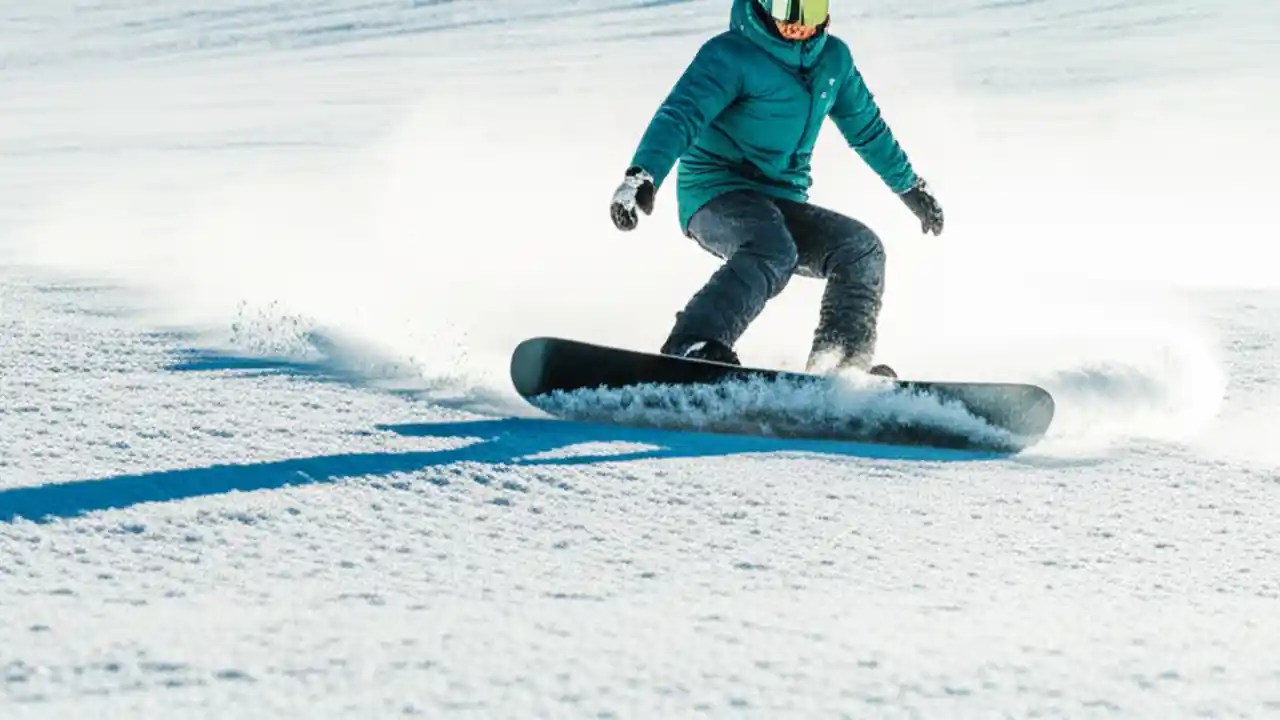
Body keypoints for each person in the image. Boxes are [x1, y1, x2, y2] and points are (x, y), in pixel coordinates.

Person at [609, 0, 943, 377]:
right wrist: (643, 173)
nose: (800, 24)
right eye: (789, 9)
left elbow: (867, 129)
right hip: (715, 193)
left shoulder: (834, 60)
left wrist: (909, 186)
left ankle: (840, 370)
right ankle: (692, 345)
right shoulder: (731, 54)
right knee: (772, 248)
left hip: (781, 201)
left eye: (812, 9)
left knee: (860, 250)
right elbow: (682, 113)